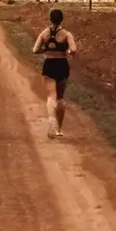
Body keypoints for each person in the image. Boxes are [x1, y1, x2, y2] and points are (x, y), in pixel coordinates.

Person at [32, 8, 77, 138]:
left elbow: (35, 50)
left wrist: (46, 49)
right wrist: (66, 51)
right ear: (62, 19)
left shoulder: (44, 33)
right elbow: (73, 50)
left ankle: (52, 119)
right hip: (62, 65)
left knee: (51, 95)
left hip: (49, 65)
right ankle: (59, 129)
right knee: (60, 97)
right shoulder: (66, 34)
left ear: (50, 19)